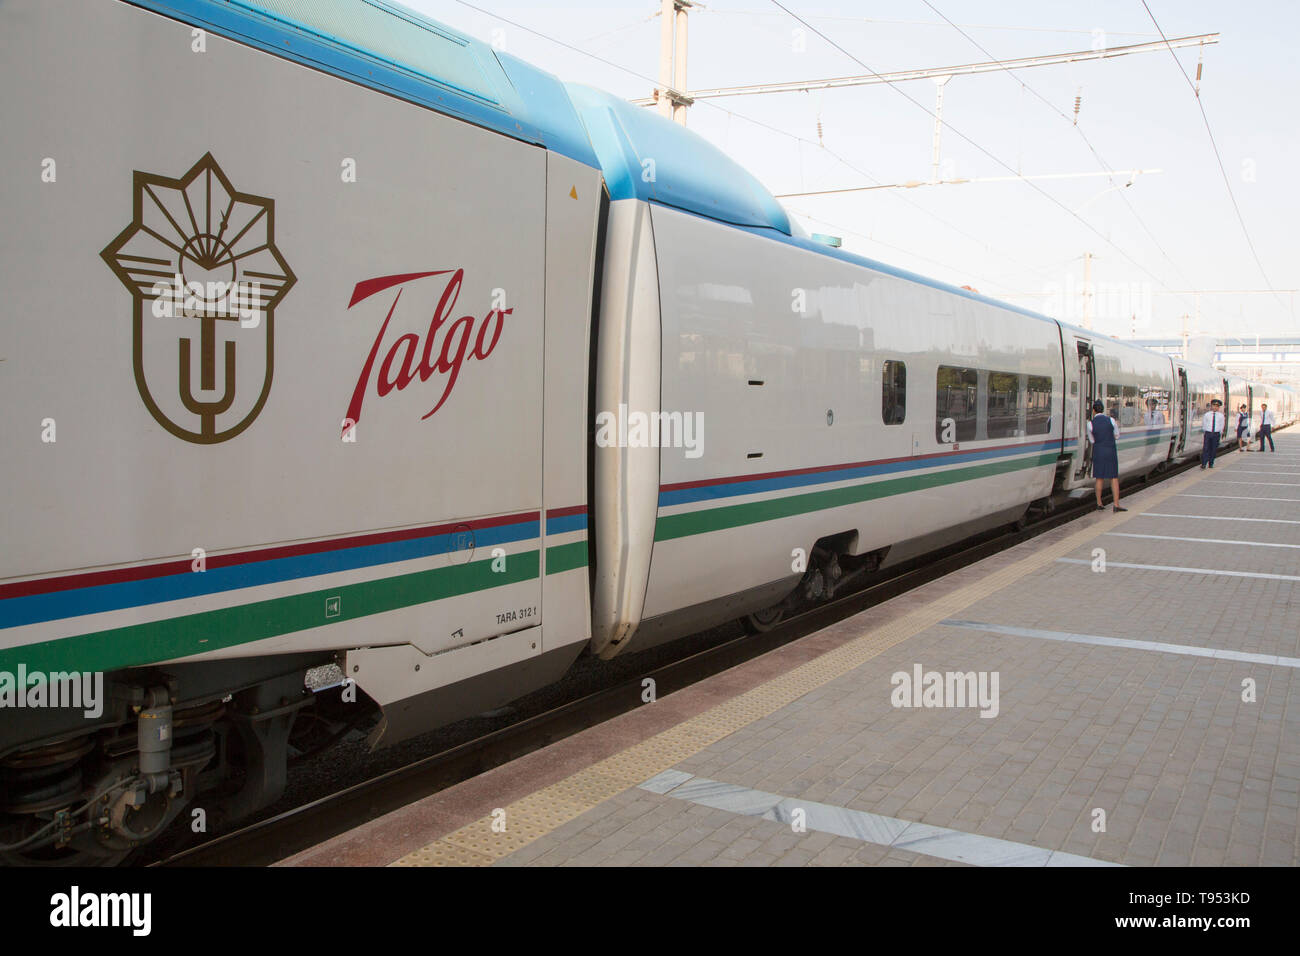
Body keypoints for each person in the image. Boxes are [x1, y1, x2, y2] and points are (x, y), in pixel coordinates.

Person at [1087, 399, 1125, 512]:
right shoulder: (1111, 420)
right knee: (1113, 477)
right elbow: (1117, 435)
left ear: (1093, 411)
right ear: (1103, 410)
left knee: (1099, 477)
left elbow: (1092, 440)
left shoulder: (1090, 424)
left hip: (1098, 451)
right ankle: (1116, 504)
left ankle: (1099, 503)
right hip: (1110, 451)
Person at [1201, 399, 1224, 468]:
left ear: (1219, 407)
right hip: (1208, 433)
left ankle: (1211, 463)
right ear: (1211, 406)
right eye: (1214, 405)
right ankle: (1204, 463)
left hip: (1216, 434)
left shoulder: (1221, 416)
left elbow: (1221, 425)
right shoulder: (1207, 415)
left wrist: (1220, 432)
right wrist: (1206, 431)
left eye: (1217, 406)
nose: (1215, 407)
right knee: (1206, 448)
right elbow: (1204, 424)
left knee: (1213, 449)